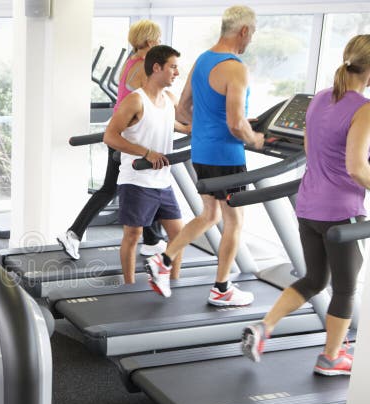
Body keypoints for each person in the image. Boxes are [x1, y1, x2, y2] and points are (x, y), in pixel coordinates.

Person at [240, 34, 370, 376]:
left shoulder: (320, 98)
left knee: (314, 278)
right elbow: (357, 168)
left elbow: (312, 154)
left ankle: (263, 328)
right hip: (342, 214)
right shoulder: (364, 109)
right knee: (344, 288)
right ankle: (331, 358)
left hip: (309, 205)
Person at [146, 5, 263, 306]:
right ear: (244, 31)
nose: (250, 41)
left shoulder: (202, 61)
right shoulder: (235, 67)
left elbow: (182, 109)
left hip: (203, 152)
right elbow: (237, 124)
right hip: (227, 155)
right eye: (252, 35)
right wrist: (257, 139)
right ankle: (221, 288)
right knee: (234, 222)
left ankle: (165, 259)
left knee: (210, 215)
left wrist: (207, 128)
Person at [58, 19, 172, 260]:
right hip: (129, 138)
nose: (160, 44)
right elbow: (154, 97)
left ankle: (152, 239)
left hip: (127, 133)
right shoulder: (142, 66)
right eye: (159, 40)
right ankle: (74, 234)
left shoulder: (130, 63)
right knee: (118, 187)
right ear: (150, 41)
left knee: (134, 185)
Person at [103, 45, 186, 285]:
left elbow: (182, 126)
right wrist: (146, 153)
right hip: (136, 180)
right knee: (133, 235)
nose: (176, 72)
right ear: (157, 67)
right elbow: (110, 136)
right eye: (173, 67)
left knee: (178, 235)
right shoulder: (135, 101)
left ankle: (174, 284)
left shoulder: (169, 99)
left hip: (163, 181)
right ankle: (129, 287)